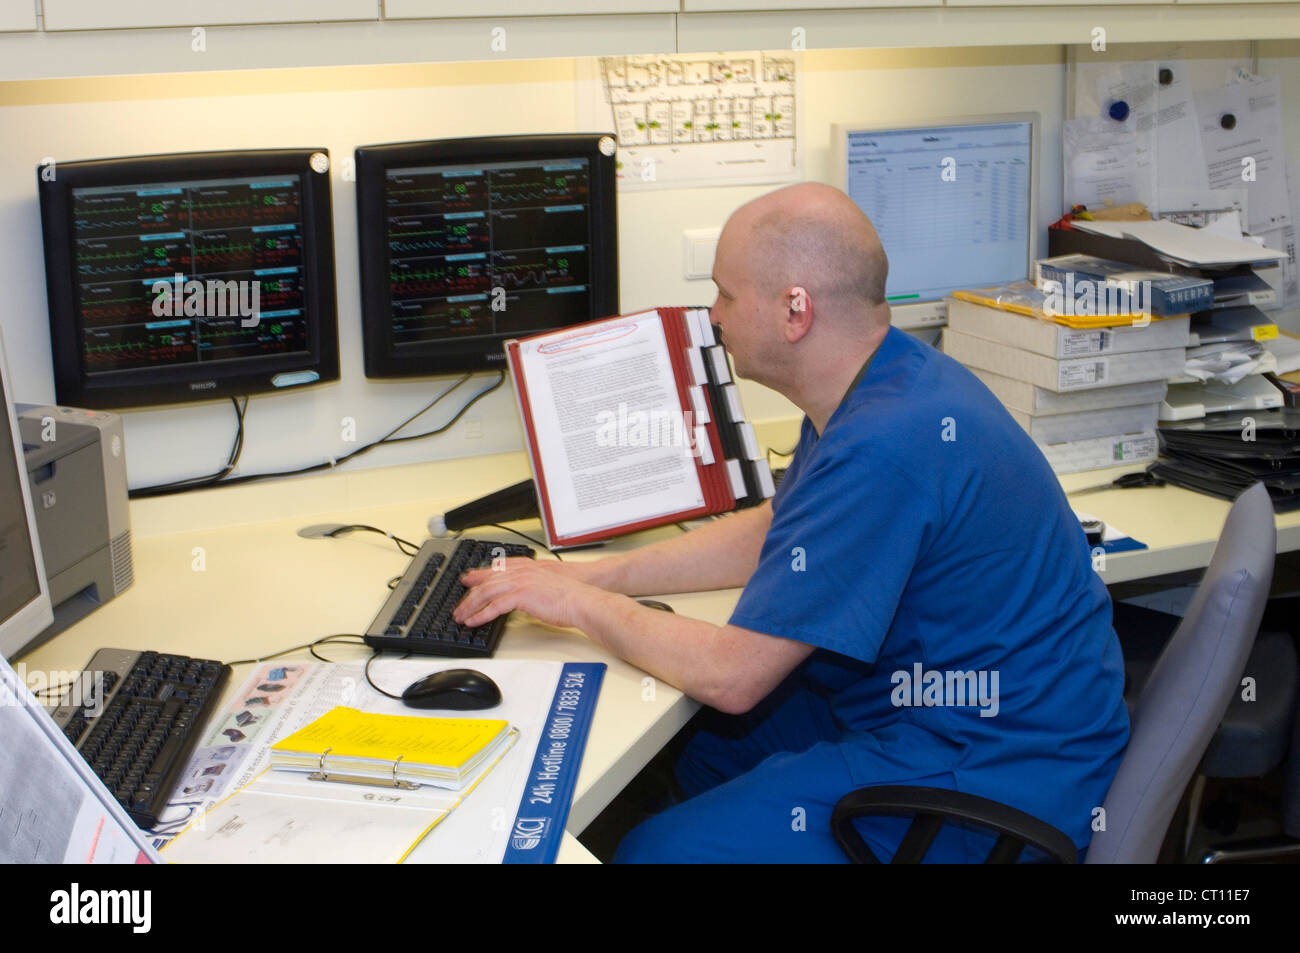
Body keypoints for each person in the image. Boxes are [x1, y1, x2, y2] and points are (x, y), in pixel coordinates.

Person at [454, 182, 1129, 863]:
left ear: (795, 310)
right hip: (945, 712)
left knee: (654, 850)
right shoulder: (881, 378)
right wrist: (596, 574)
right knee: (706, 743)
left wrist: (578, 603)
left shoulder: (885, 443)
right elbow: (776, 528)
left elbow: (733, 673)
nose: (713, 314)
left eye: (726, 294)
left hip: (989, 774)